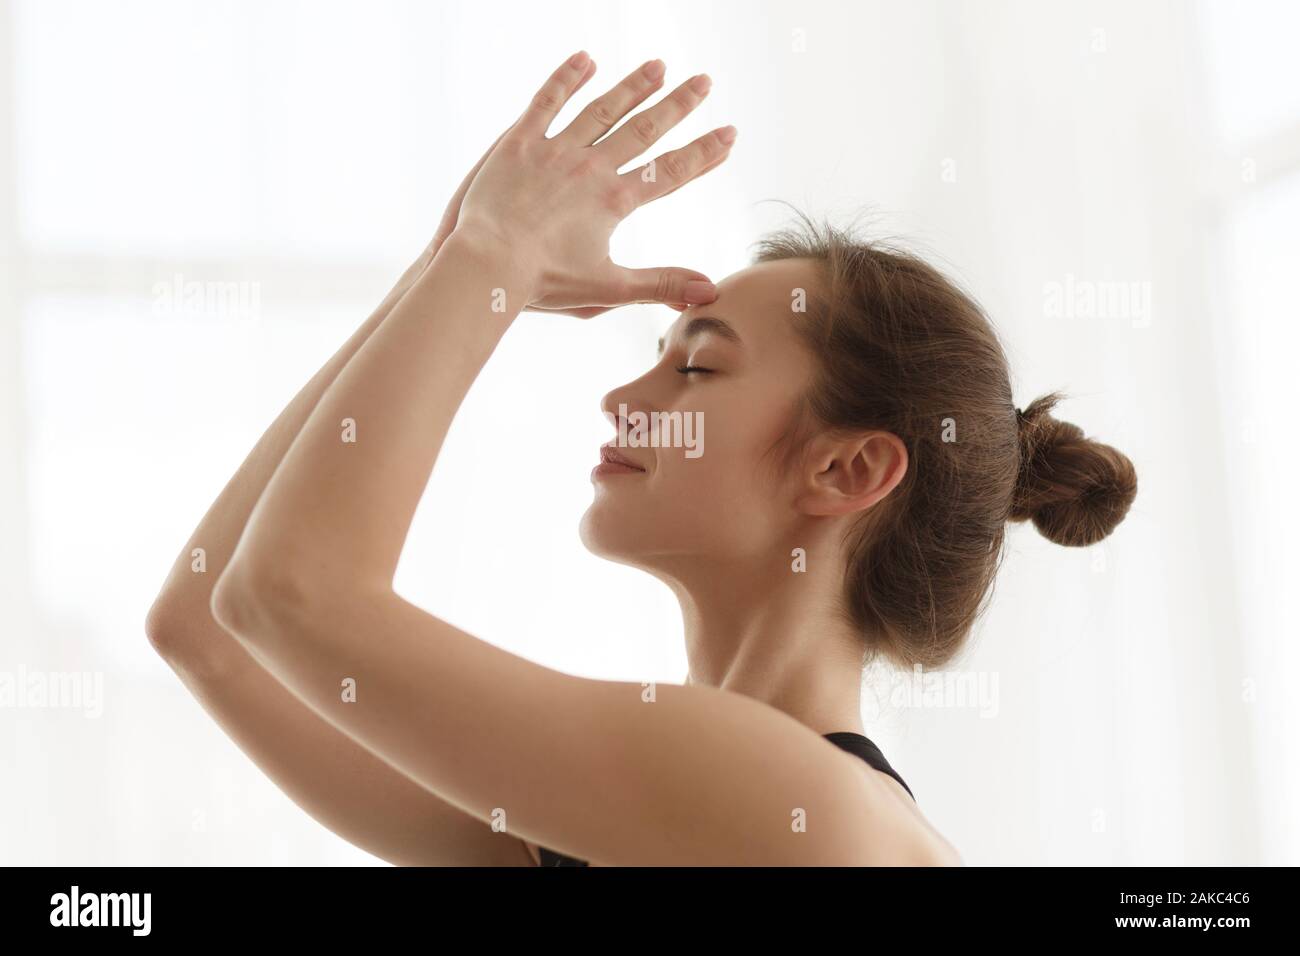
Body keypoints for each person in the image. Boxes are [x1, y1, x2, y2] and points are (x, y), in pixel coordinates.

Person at [145, 51, 1136, 866]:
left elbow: (289, 595)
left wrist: (491, 259)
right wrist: (447, 264)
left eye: (696, 368)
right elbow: (209, 626)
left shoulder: (801, 804)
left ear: (846, 470)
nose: (625, 400)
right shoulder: (674, 814)